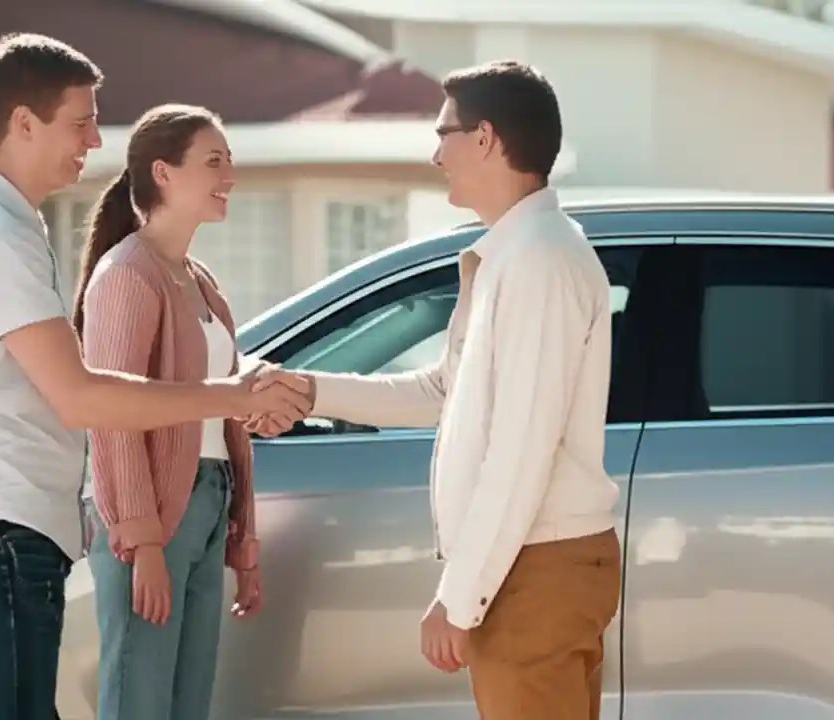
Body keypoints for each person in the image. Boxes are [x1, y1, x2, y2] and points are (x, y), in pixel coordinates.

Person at [0, 34, 308, 720]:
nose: (95, 141)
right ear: (24, 123)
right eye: (81, 121)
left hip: (19, 522)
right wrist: (230, 399)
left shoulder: (15, 227)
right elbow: (83, 396)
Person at [253, 60, 621, 719]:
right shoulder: (515, 253)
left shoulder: (537, 260)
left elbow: (521, 448)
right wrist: (309, 390)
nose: (435, 153)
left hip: (533, 568)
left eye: (444, 133)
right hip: (526, 564)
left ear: (484, 138)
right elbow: (443, 393)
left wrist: (461, 595)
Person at [73, 103, 263, 720]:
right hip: (152, 516)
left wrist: (242, 534)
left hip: (206, 503)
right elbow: (113, 413)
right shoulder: (128, 274)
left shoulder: (199, 279)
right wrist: (141, 539)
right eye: (214, 161)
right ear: (163, 172)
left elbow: (222, 413)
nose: (229, 173)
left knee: (187, 703)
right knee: (140, 700)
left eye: (229, 159)